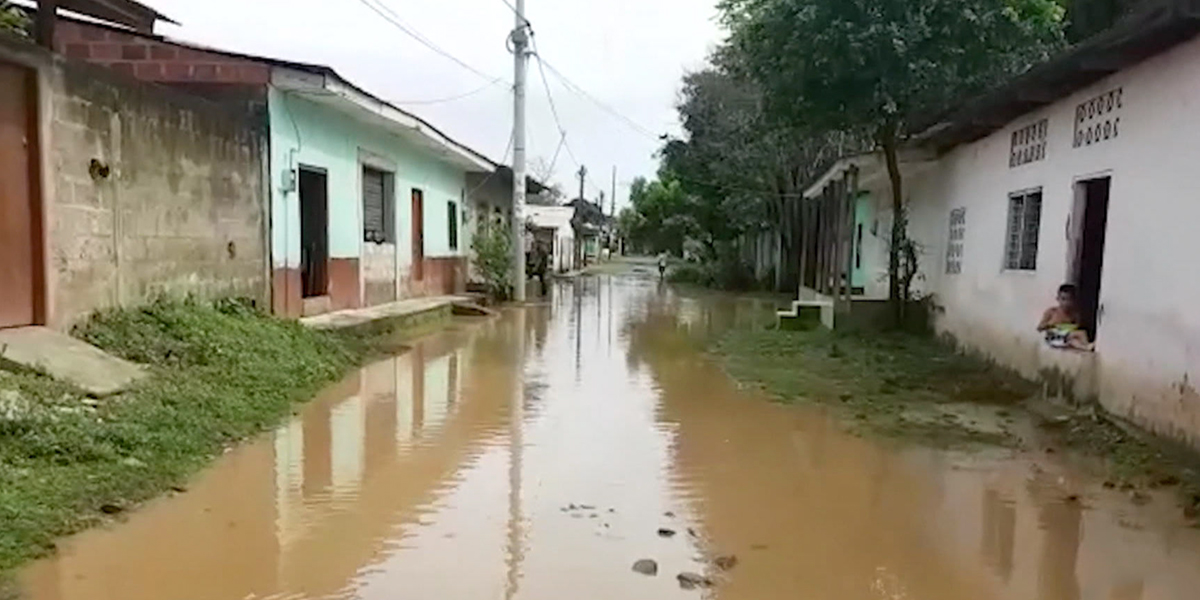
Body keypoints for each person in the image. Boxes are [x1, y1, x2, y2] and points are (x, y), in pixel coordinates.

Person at [1037, 284, 1092, 351]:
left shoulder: (1074, 314)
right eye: (1063, 299)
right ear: (1058, 299)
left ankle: (1086, 346)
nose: (1066, 303)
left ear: (1073, 301)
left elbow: (1076, 327)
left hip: (1066, 337)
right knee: (1076, 335)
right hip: (1053, 338)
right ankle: (1086, 347)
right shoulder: (1051, 312)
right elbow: (1039, 328)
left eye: (1069, 300)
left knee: (1080, 335)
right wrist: (1051, 325)